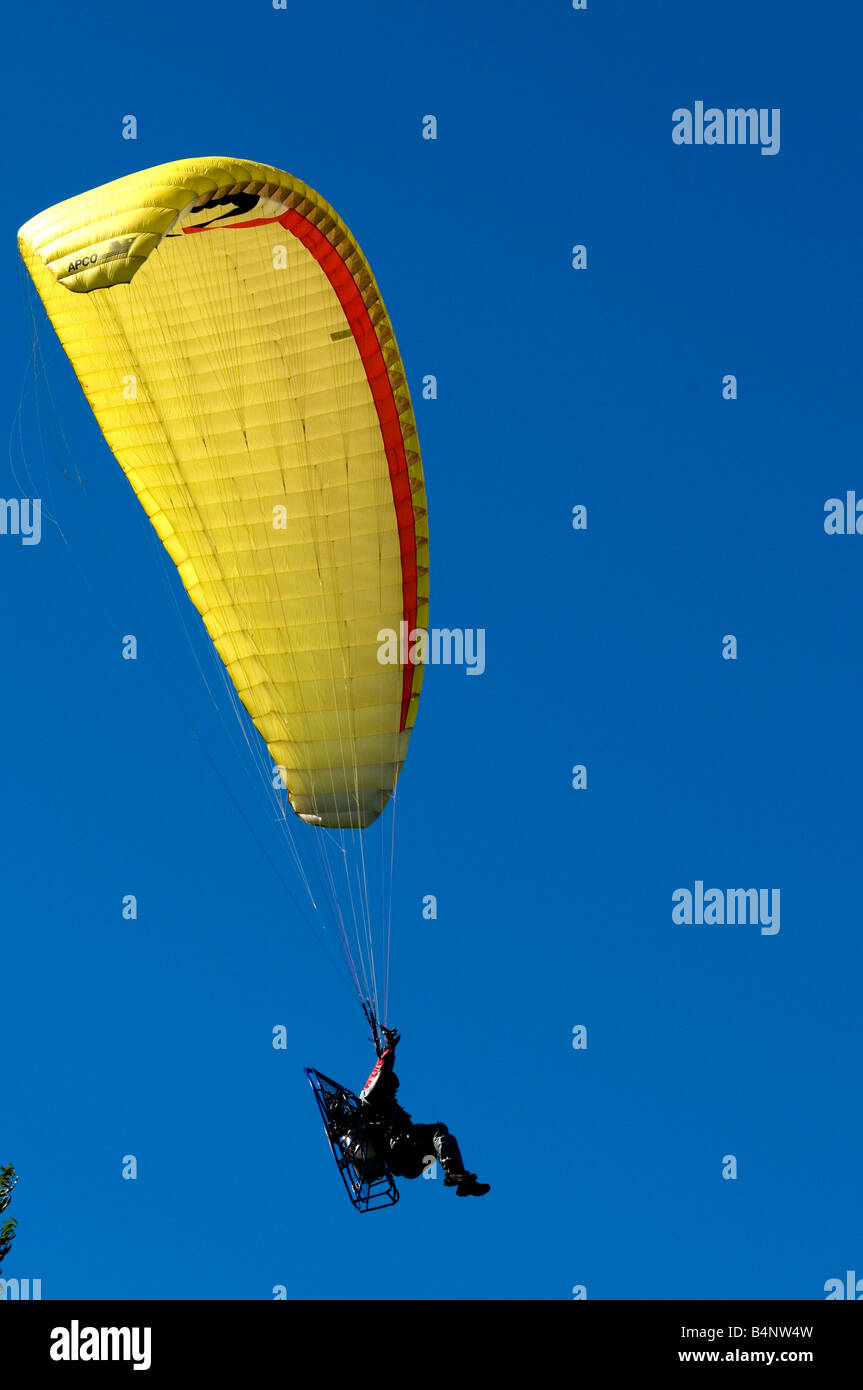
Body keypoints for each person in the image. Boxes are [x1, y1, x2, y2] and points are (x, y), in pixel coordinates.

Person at [359, 1027, 490, 1197]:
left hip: (409, 1160)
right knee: (438, 1130)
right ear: (385, 1087)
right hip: (399, 1150)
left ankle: (463, 1182)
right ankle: (453, 1173)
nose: (393, 1094)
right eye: (391, 1090)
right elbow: (381, 1071)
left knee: (446, 1139)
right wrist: (390, 1048)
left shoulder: (388, 1106)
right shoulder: (370, 1099)